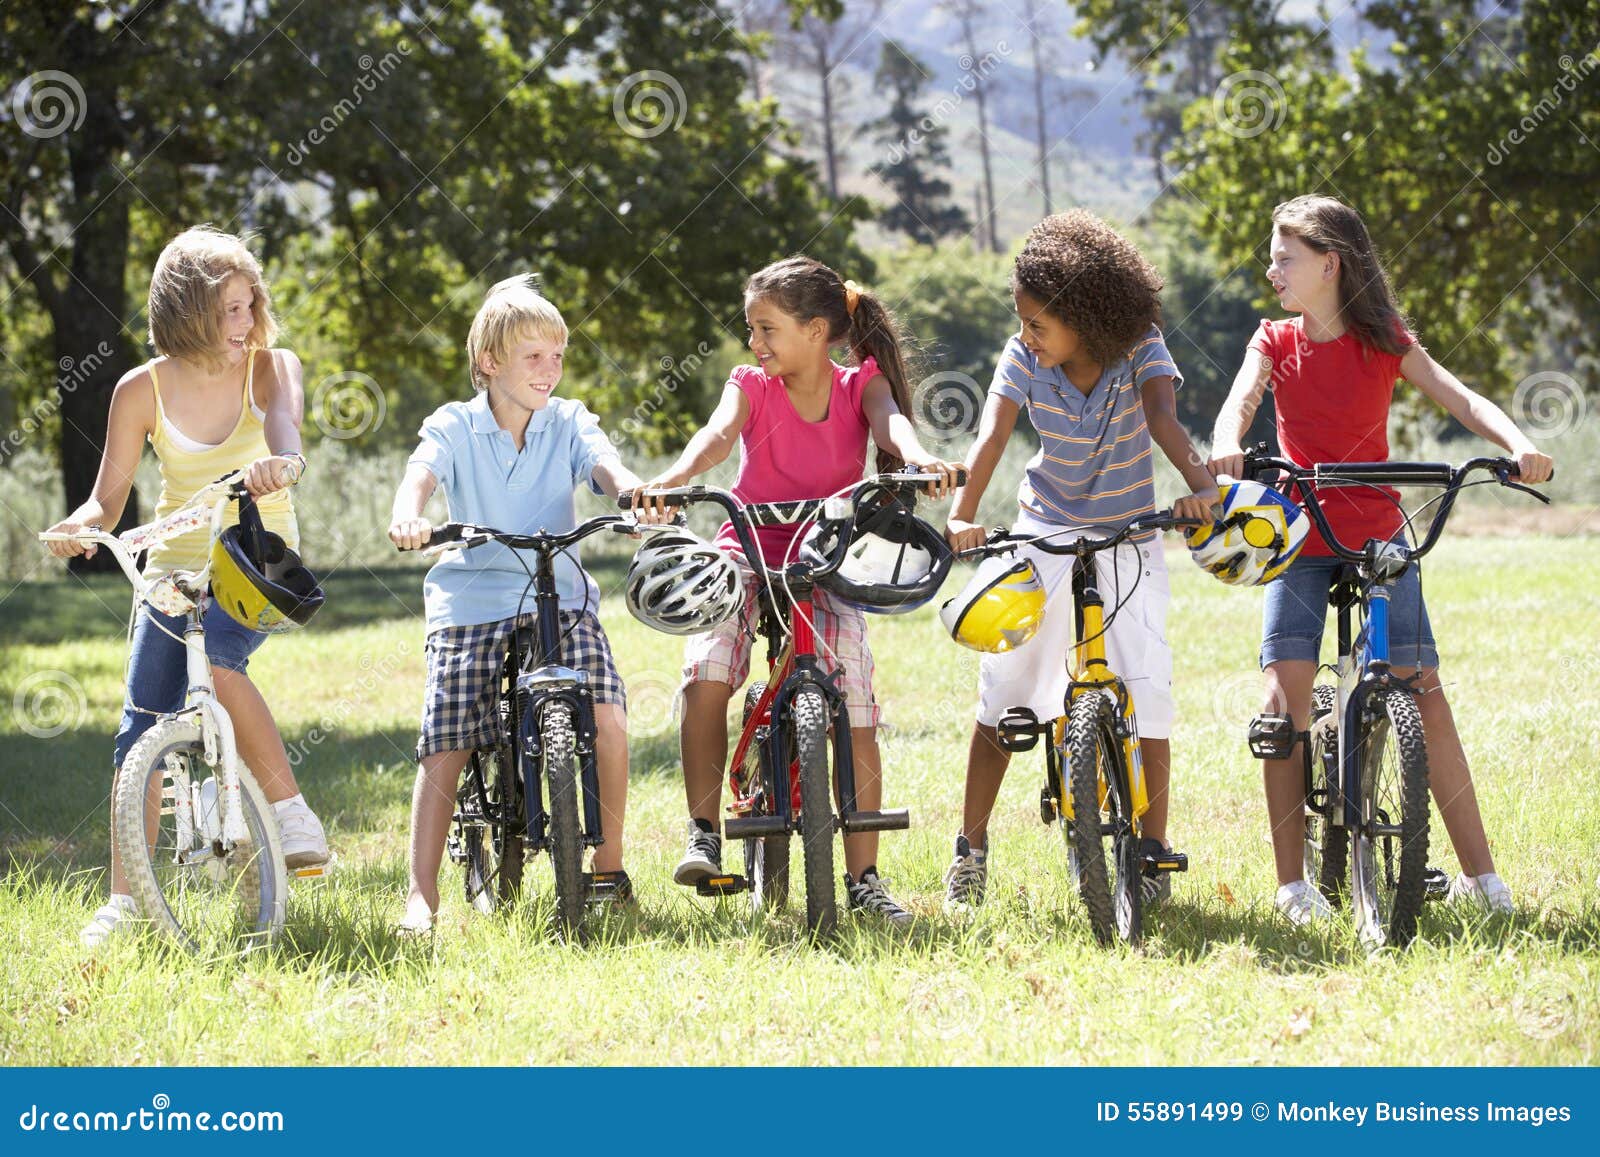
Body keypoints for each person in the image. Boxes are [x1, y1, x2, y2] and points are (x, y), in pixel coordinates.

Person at [1207, 194, 1553, 924]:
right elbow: (1238, 405)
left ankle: (1484, 881)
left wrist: (1517, 443)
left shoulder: (1385, 340)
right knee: (1285, 695)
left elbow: (1460, 399)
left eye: (1284, 257)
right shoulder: (1273, 340)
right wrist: (1224, 443)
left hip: (1377, 533)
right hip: (1299, 531)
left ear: (1329, 263)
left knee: (1422, 689)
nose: (1272, 270)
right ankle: (1293, 886)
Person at [635, 256, 962, 925]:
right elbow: (716, 435)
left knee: (858, 701)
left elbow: (892, 424)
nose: (755, 342)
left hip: (826, 554)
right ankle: (703, 830)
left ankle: (866, 876)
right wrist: (671, 477)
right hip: (748, 548)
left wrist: (921, 458)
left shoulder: (858, 385)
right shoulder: (752, 384)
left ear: (817, 330)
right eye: (752, 328)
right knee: (707, 669)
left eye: (767, 328)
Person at [44, 225, 329, 949]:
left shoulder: (270, 367)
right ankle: (126, 896)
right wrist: (78, 524)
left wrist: (280, 464)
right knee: (139, 729)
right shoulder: (140, 388)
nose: (243, 322)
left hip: (250, 556)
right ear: (186, 312)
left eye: (248, 305)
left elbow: (287, 429)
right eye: (226, 310)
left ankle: (291, 809)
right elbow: (106, 499)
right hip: (171, 562)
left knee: (222, 664)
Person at [941, 211, 1218, 915]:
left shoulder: (1141, 348)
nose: (1029, 339)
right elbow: (992, 434)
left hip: (1128, 535)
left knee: (1147, 689)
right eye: (1024, 324)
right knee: (1004, 691)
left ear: (1086, 317)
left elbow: (1164, 421)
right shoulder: (1022, 358)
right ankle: (969, 850)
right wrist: (962, 513)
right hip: (1044, 530)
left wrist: (1201, 487)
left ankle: (1151, 851)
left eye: (1040, 325)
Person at [388, 274, 658, 933]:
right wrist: (408, 514)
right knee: (448, 735)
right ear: (490, 362)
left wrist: (629, 492)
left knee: (609, 715)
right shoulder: (455, 425)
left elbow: (603, 462)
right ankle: (421, 892)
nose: (551, 369)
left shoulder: (567, 419)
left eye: (558, 356)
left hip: (558, 594)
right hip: (472, 598)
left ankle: (608, 867)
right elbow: (419, 474)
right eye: (534, 356)